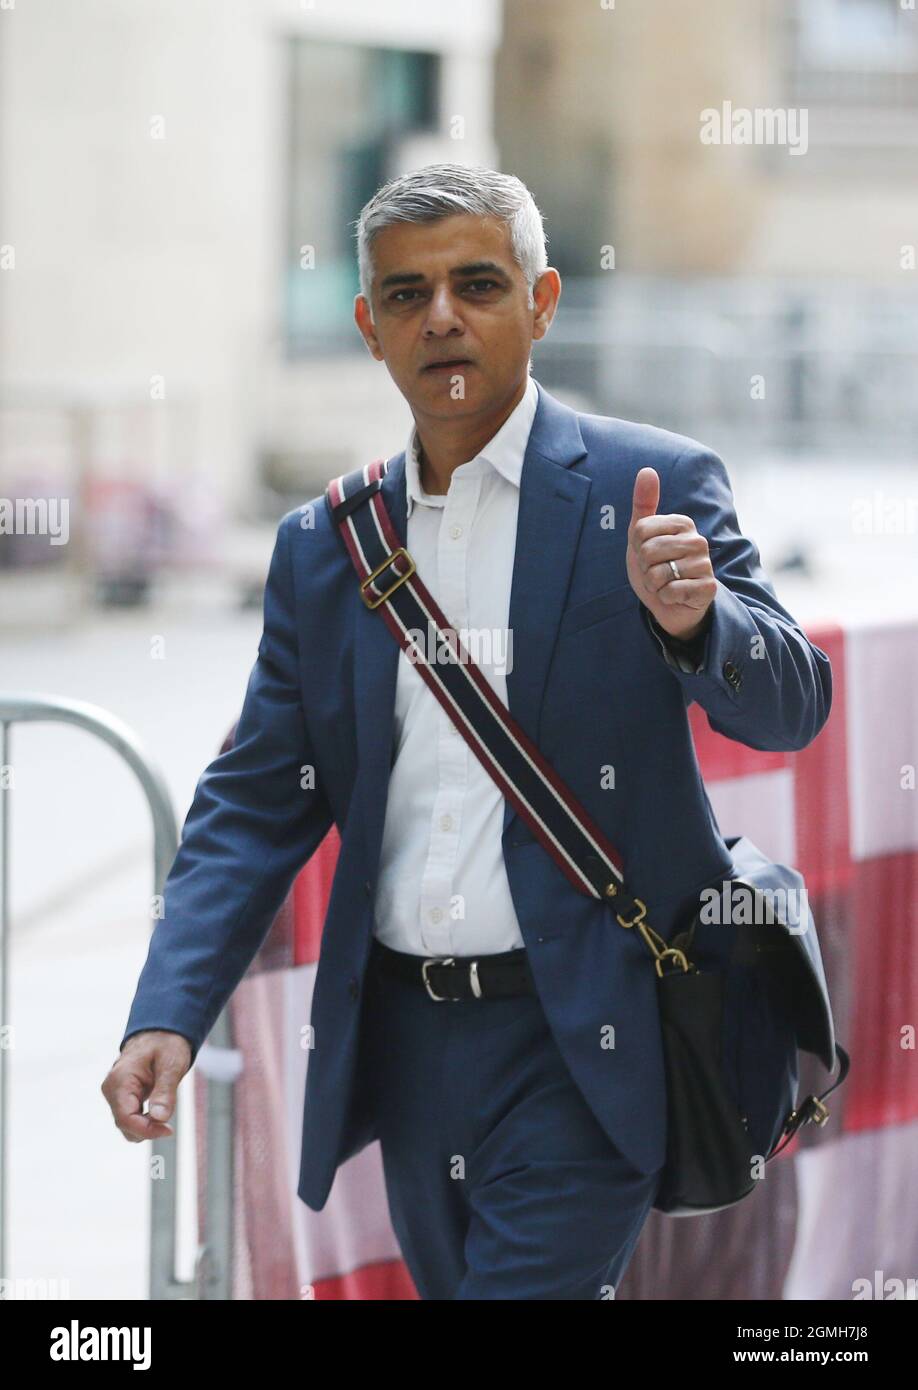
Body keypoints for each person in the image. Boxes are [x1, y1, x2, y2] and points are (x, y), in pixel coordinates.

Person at [102, 163, 832, 1300]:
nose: (440, 316)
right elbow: (253, 801)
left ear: (541, 302)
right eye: (406, 294)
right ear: (369, 327)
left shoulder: (650, 484)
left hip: (585, 1036)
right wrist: (168, 1010)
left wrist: (701, 622)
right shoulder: (325, 546)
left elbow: (793, 703)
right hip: (408, 1048)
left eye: (477, 284)